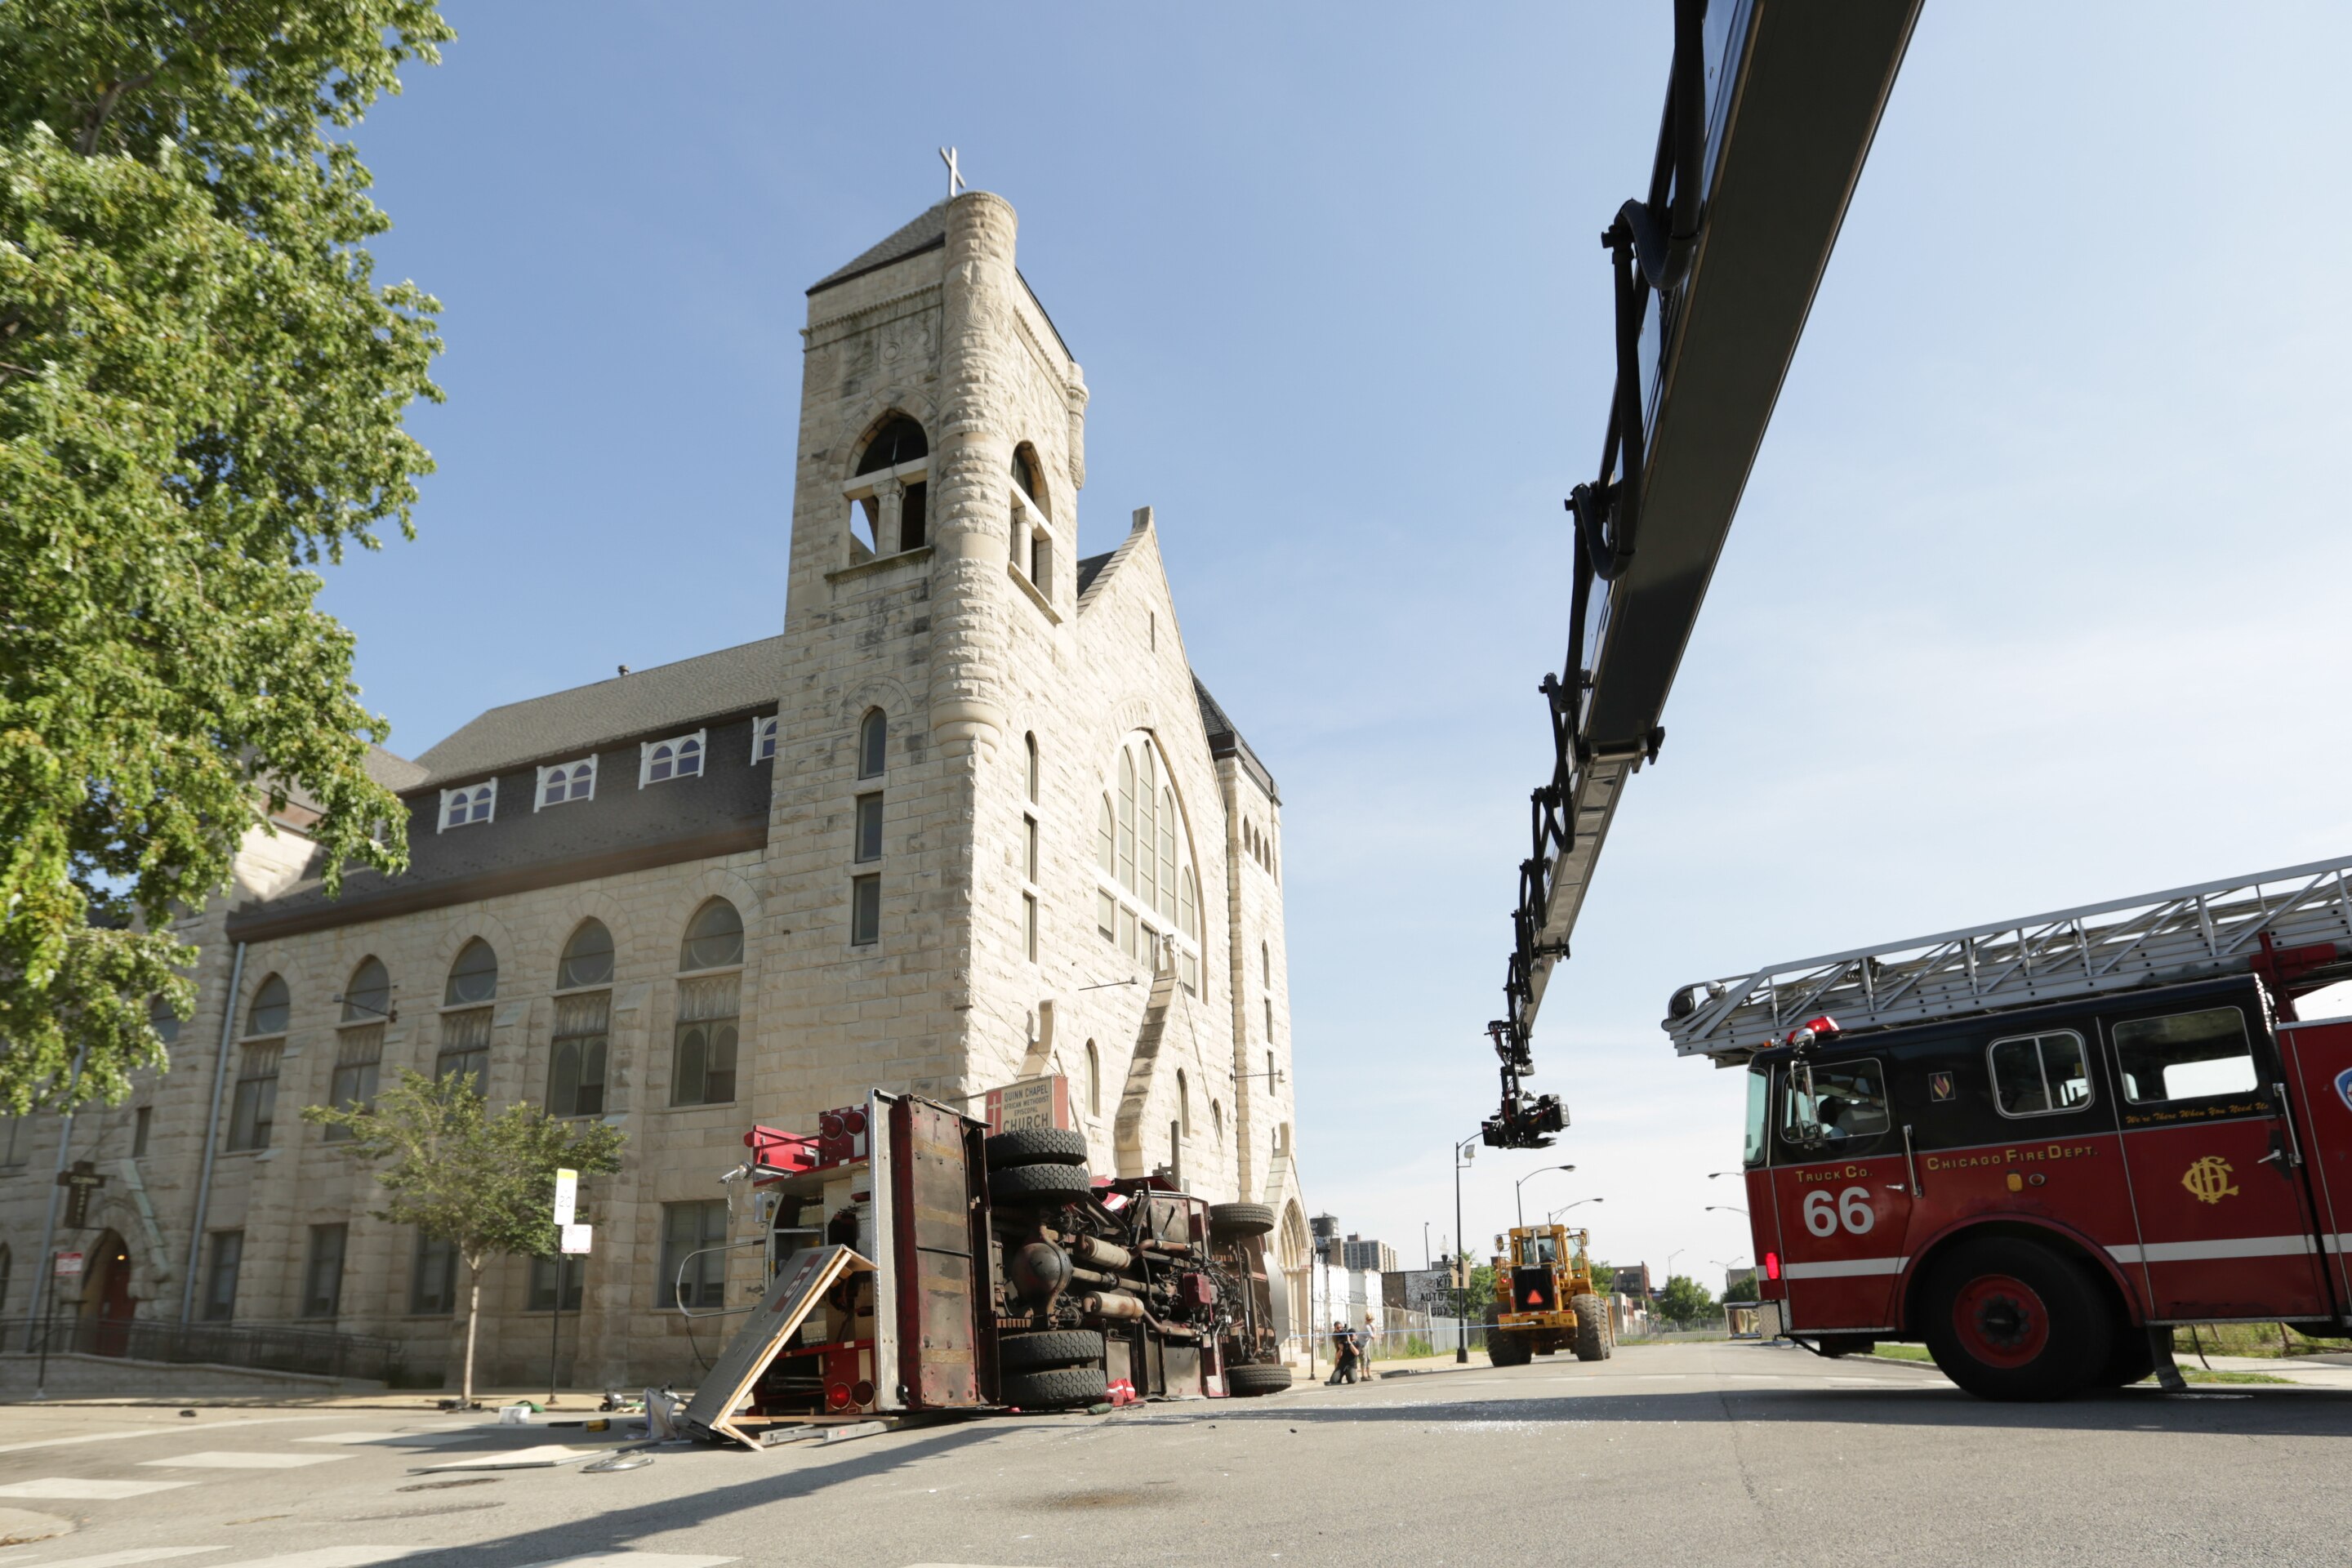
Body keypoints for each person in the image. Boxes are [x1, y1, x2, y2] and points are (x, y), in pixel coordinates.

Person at [1325, 1319, 1358, 1385]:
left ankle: (1353, 1374)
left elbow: (1356, 1353)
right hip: (1339, 1346)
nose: (1339, 1329)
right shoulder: (1335, 1335)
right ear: (1335, 1328)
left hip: (1348, 1351)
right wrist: (1341, 1347)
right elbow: (1338, 1345)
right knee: (1337, 1358)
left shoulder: (1343, 1331)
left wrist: (1348, 1339)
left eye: (1341, 1327)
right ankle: (1337, 1372)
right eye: (1338, 1328)